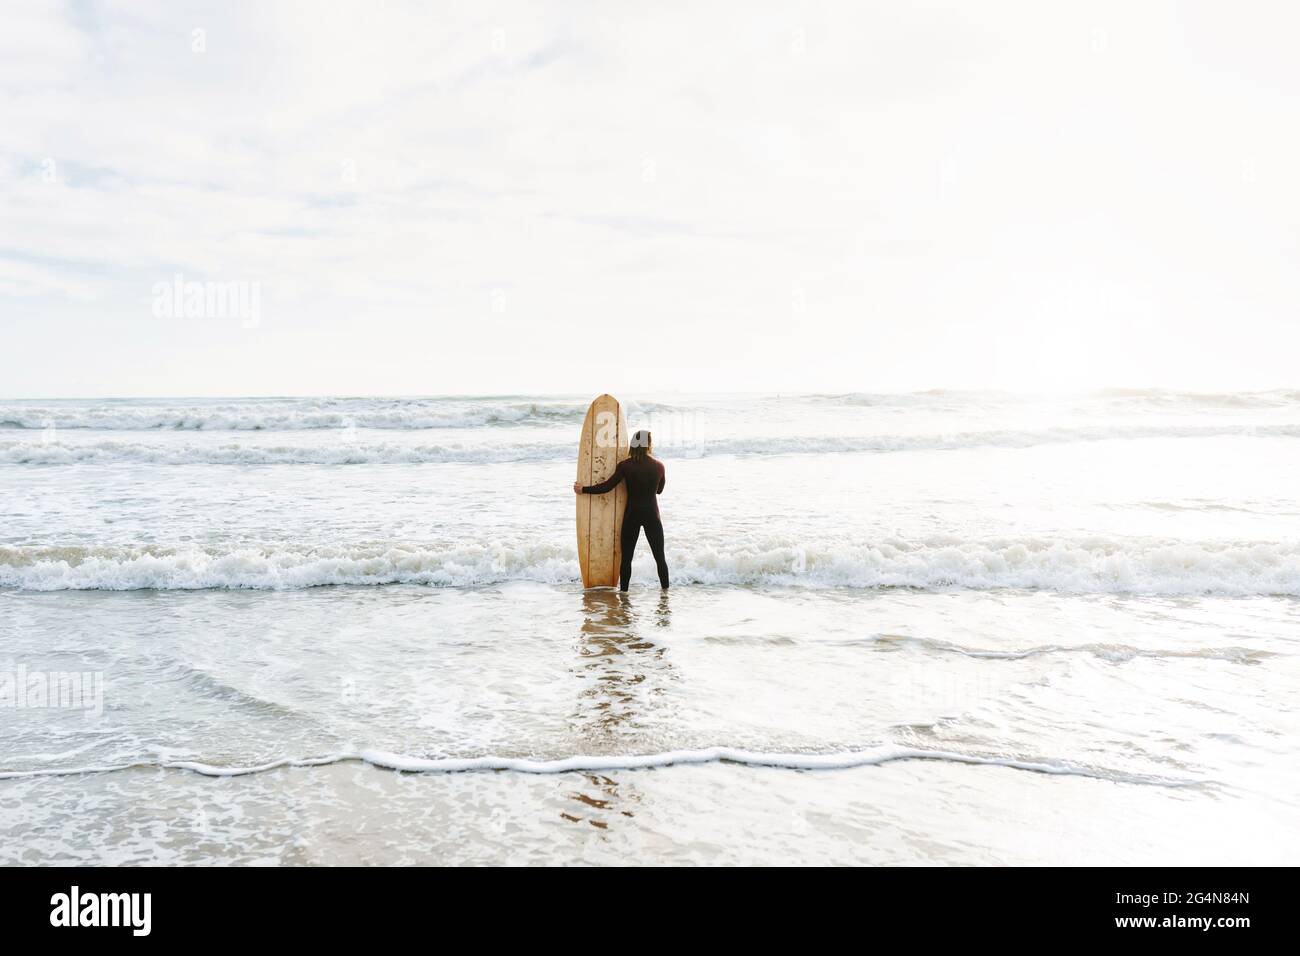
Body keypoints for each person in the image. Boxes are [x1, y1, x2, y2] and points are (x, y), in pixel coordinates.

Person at [573, 429, 669, 591]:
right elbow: (659, 491)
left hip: (632, 515)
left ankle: (624, 595)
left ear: (633, 444)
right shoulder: (659, 467)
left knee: (627, 558)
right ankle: (666, 595)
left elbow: (607, 487)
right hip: (652, 516)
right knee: (660, 557)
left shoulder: (625, 466)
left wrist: (584, 489)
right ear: (648, 445)